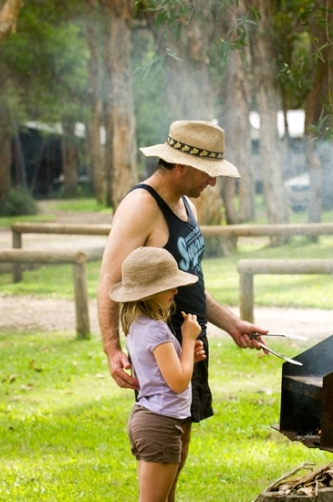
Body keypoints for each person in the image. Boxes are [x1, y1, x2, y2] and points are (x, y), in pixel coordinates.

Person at [97, 120, 268, 502]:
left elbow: (189, 280)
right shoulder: (141, 206)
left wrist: (231, 324)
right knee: (165, 444)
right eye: (209, 174)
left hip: (189, 338)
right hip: (163, 343)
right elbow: (109, 280)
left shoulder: (186, 204)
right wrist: (111, 350)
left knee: (180, 446)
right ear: (181, 165)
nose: (212, 183)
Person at [109, 246, 203, 502]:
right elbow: (178, 382)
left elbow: (160, 371)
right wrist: (187, 339)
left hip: (147, 417)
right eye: (169, 285)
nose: (176, 290)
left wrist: (186, 356)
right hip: (161, 423)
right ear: (150, 292)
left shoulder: (137, 325)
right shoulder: (158, 332)